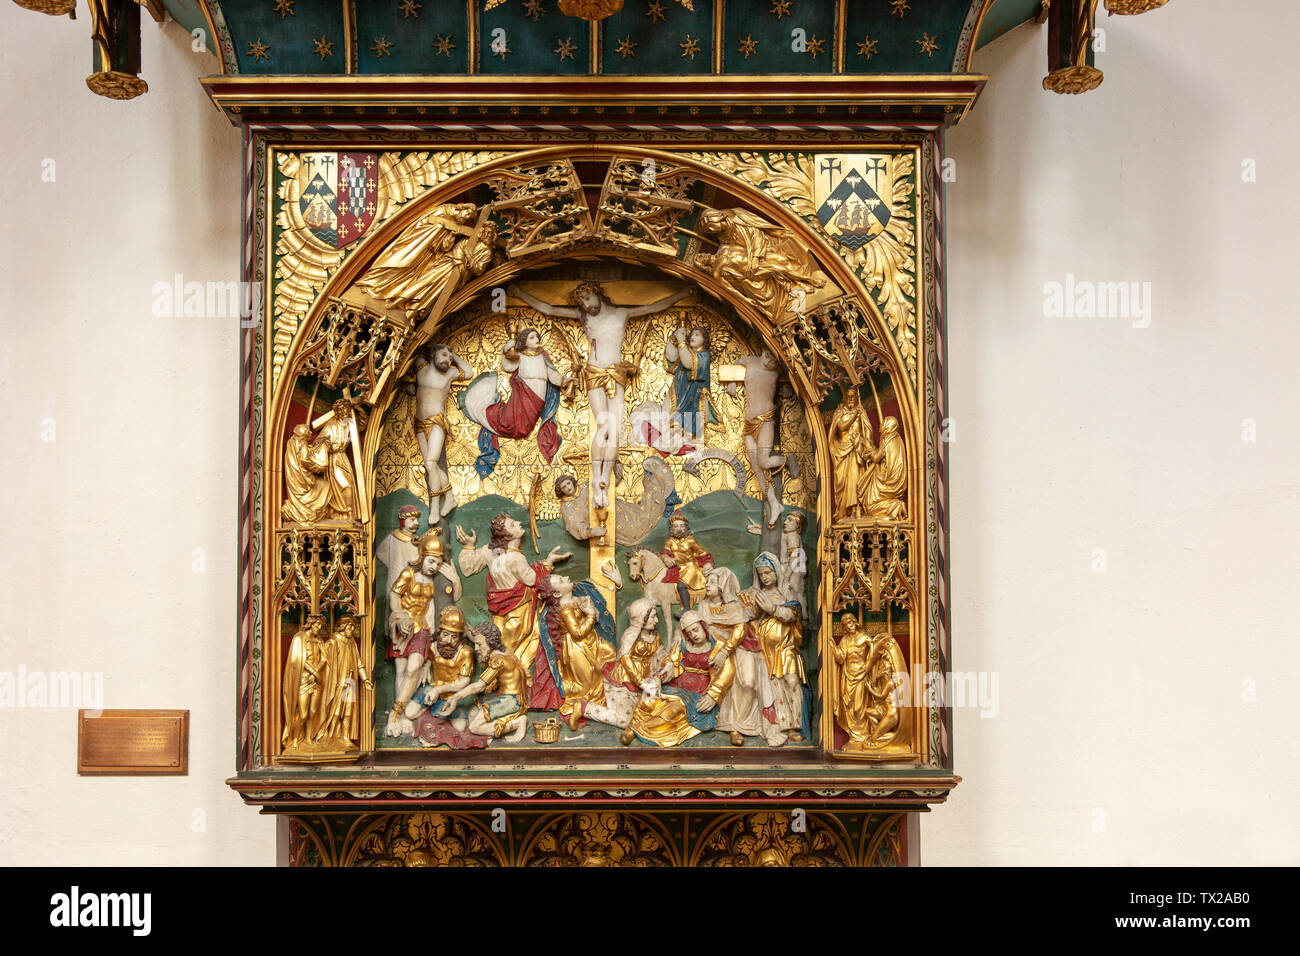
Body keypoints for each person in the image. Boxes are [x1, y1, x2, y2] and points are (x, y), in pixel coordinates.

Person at [509, 281, 691, 508]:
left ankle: (605, 478)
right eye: (581, 301)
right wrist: (520, 293)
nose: (585, 304)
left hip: (616, 374)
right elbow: (549, 309)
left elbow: (655, 306)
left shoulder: (622, 313)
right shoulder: (585, 318)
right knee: (603, 426)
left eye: (587, 297)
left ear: (598, 293)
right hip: (594, 373)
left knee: (614, 430)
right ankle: (596, 480)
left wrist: (682, 292)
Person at [456, 513, 571, 709]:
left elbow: (467, 567)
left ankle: (503, 691)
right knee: (520, 648)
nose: (518, 523)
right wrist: (548, 563)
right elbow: (531, 580)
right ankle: (514, 694)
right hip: (520, 611)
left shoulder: (490, 552)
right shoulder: (516, 557)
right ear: (507, 534)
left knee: (501, 648)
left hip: (500, 612)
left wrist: (468, 545)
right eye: (512, 523)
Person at [459, 327, 569, 476]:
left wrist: (564, 380)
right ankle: (486, 413)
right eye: (531, 337)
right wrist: (511, 344)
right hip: (524, 394)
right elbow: (507, 365)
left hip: (538, 398)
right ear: (524, 341)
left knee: (525, 427)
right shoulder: (520, 356)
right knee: (517, 426)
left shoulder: (543, 356)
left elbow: (552, 375)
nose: (536, 340)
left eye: (537, 337)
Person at [697, 566, 781, 747]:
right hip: (714, 647)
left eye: (712, 582)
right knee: (728, 676)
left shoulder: (734, 606)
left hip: (739, 646)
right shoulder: (703, 606)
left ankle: (746, 723)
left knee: (749, 682)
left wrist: (726, 650)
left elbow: (741, 629)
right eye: (707, 582)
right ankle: (731, 726)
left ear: (723, 586)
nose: (707, 585)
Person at [387, 533, 461, 736]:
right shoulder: (408, 574)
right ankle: (399, 717)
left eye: (437, 563)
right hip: (403, 628)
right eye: (431, 561)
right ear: (422, 556)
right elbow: (394, 595)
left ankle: (395, 712)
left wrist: (454, 579)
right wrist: (399, 615)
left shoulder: (436, 582)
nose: (434, 567)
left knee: (413, 670)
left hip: (422, 629)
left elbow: (449, 600)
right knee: (401, 671)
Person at [536, 572, 619, 725]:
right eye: (562, 579)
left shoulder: (577, 597)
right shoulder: (565, 609)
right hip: (578, 648)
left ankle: (613, 693)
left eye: (563, 576)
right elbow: (578, 633)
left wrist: (590, 605)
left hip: (593, 641)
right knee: (587, 684)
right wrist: (591, 615)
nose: (567, 577)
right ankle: (583, 703)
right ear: (557, 593)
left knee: (611, 653)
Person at [438, 623, 530, 744]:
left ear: (490, 643)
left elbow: (480, 686)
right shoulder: (503, 651)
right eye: (475, 644)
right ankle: (490, 731)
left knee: (474, 727)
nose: (476, 648)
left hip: (511, 700)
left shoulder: (498, 660)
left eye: (479, 645)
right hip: (504, 695)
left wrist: (455, 697)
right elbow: (483, 642)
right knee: (472, 714)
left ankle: (518, 723)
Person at [412, 344, 473, 521]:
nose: (447, 359)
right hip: (419, 422)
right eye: (444, 355)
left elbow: (468, 373)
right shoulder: (421, 366)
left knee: (431, 464)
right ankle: (450, 498)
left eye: (449, 358)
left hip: (437, 422)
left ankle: (435, 509)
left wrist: (455, 358)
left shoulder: (450, 374)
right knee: (430, 465)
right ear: (432, 354)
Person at [281, 615, 332, 753]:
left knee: (313, 711)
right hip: (303, 679)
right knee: (302, 713)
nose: (319, 628)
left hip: (316, 681)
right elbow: (297, 660)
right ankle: (295, 739)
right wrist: (313, 672)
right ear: (310, 624)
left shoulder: (320, 640)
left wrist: (317, 671)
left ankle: (309, 738)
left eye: (321, 626)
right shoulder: (299, 638)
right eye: (317, 625)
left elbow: (324, 658)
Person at [323, 615, 370, 748]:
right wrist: (333, 681)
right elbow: (328, 666)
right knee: (337, 710)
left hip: (351, 680)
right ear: (343, 627)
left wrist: (365, 679)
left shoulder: (352, 642)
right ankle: (331, 736)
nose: (352, 629)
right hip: (339, 681)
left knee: (348, 711)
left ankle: (344, 736)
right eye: (350, 626)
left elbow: (359, 662)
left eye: (353, 627)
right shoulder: (333, 642)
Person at [664, 325, 715, 440]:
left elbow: (688, 363)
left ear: (704, 340)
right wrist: (674, 338)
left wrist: (682, 342)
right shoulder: (686, 351)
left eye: (697, 335)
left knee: (686, 427)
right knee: (667, 417)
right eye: (692, 334)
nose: (693, 336)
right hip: (678, 391)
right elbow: (672, 358)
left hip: (694, 397)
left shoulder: (704, 355)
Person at [659, 510, 713, 612]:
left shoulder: (690, 541)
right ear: (671, 529)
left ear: (685, 528)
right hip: (678, 569)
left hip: (691, 568)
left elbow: (702, 553)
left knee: (681, 585)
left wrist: (707, 563)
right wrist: (666, 558)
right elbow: (664, 553)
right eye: (676, 526)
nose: (679, 529)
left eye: (681, 526)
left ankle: (686, 609)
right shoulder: (670, 542)